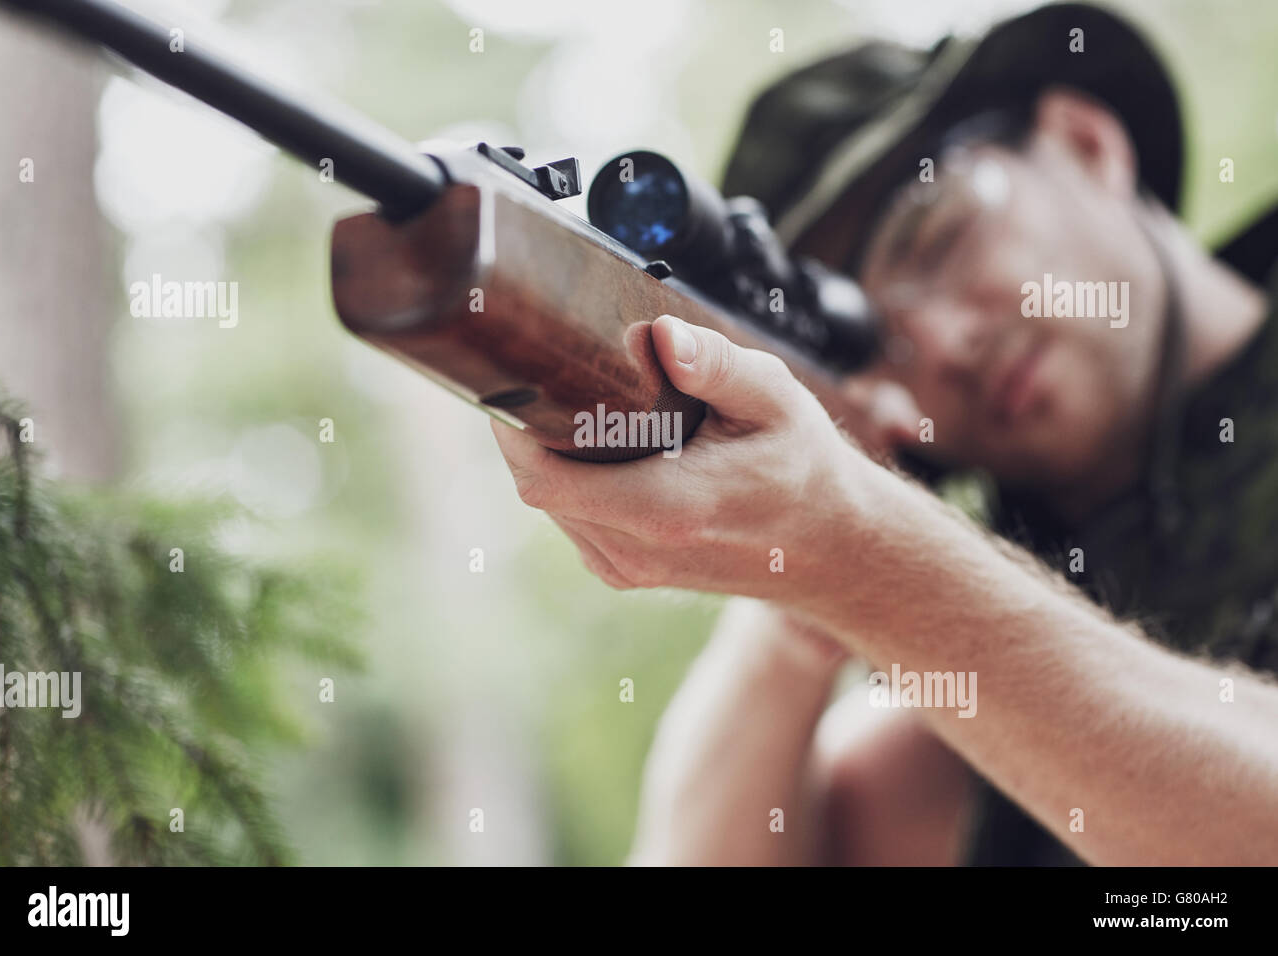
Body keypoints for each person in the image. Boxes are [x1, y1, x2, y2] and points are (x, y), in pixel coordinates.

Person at [492, 1, 1278, 865]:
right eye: (877, 343)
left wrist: (865, 554)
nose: (938, 347)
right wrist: (801, 591)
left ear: (1087, 141)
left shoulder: (978, 641)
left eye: (939, 239)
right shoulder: (975, 674)